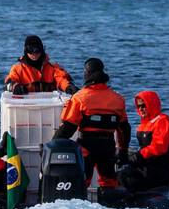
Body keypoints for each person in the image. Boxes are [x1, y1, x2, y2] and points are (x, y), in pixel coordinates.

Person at [52, 58, 129, 193]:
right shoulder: (118, 99)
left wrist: (52, 145)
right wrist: (122, 151)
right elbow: (124, 129)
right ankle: (111, 206)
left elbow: (68, 128)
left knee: (82, 180)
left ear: (87, 74)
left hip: (87, 146)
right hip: (108, 146)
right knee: (109, 181)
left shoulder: (80, 98)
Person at [117, 90, 169, 193]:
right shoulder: (144, 124)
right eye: (139, 106)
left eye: (144, 105)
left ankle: (133, 199)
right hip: (147, 167)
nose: (141, 109)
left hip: (159, 170)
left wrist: (137, 156)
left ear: (152, 104)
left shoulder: (163, 122)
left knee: (123, 175)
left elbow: (159, 147)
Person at [4, 35, 75, 94]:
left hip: (49, 104)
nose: (34, 53)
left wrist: (68, 87)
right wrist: (15, 86)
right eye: (30, 49)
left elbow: (61, 79)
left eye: (37, 49)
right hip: (25, 105)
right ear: (25, 50)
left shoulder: (53, 67)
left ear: (42, 50)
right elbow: (9, 82)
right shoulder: (17, 69)